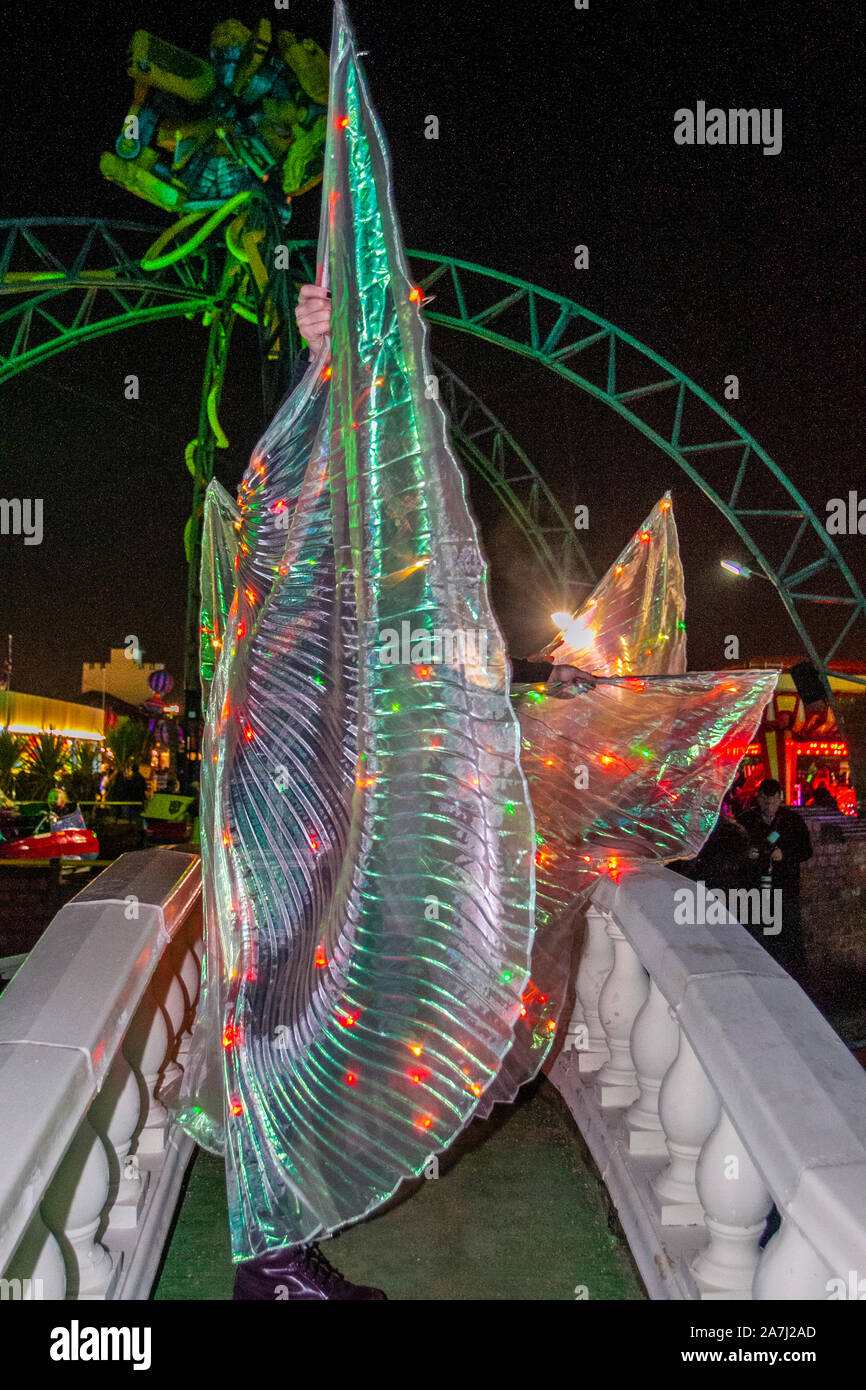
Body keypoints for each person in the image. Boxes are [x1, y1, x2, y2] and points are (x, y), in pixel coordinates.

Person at [738, 778, 813, 971]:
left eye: (773, 801)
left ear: (780, 799)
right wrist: (746, 853)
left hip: (784, 889)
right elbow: (732, 848)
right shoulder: (747, 820)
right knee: (758, 937)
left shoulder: (792, 821)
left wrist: (784, 854)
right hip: (754, 890)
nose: (769, 805)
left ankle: (793, 976)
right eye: (765, 801)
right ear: (758, 798)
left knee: (787, 938)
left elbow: (806, 851)